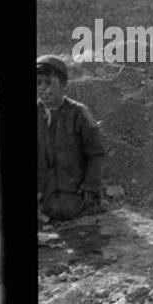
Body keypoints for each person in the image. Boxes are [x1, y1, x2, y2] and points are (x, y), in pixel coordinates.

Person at [37, 55, 106, 222]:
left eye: (48, 83)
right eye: (38, 83)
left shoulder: (79, 114)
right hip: (44, 201)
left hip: (77, 201)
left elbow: (96, 154)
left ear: (63, 85)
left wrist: (90, 190)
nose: (42, 89)